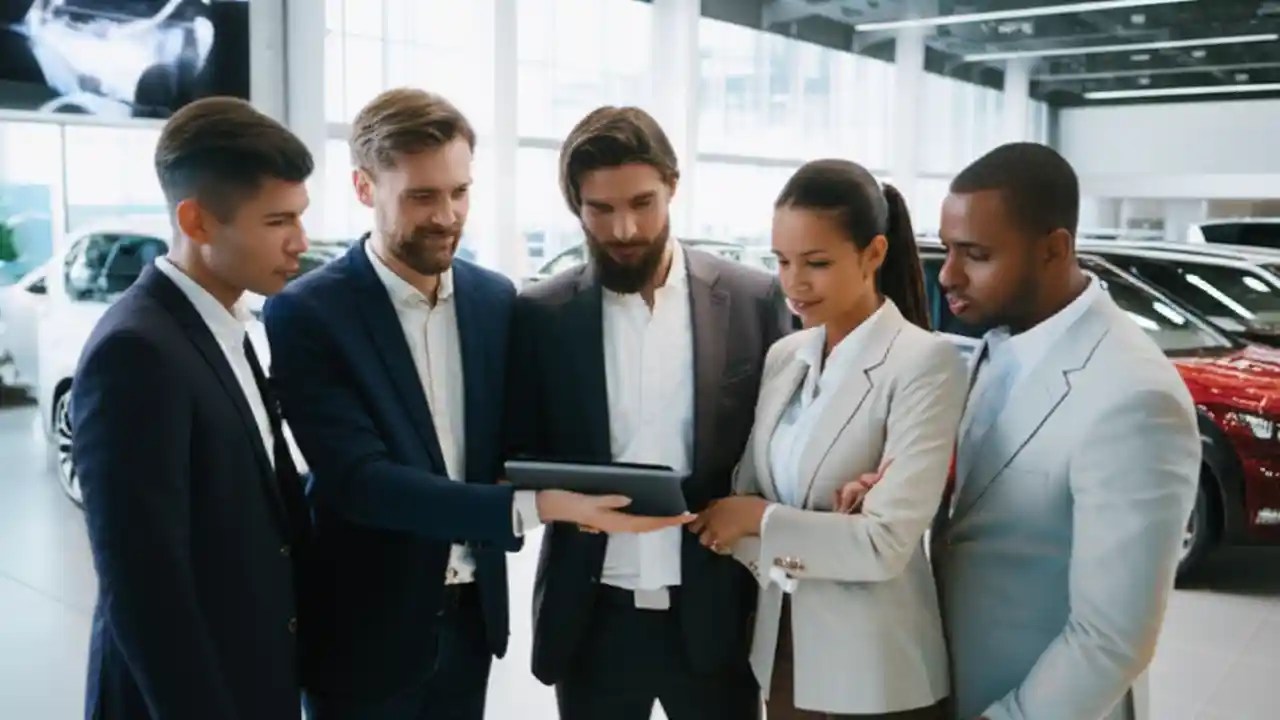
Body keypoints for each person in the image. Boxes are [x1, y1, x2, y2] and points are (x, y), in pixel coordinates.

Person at [262, 89, 685, 720]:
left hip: (470, 625)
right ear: (362, 186)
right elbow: (360, 482)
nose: (447, 215)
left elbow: (519, 444)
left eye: (459, 192)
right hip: (364, 633)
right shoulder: (307, 312)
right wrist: (537, 506)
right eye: (422, 196)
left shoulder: (495, 301)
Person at [506, 105, 793, 720]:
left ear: (673, 188)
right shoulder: (538, 314)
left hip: (718, 611)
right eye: (600, 210)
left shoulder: (753, 299)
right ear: (575, 207)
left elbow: (790, 434)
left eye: (643, 203)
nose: (626, 228)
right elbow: (518, 450)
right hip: (592, 617)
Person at [931, 142, 1200, 720]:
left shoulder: (1134, 396)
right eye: (947, 249)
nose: (950, 275)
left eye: (975, 254)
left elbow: (1111, 639)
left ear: (1055, 248)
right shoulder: (999, 340)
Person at [691, 159, 963, 719]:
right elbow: (734, 508)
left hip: (875, 671)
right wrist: (809, 530)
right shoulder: (786, 356)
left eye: (816, 263)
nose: (794, 283)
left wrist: (762, 521)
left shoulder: (923, 363)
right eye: (782, 261)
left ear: (874, 254)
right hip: (783, 655)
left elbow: (884, 545)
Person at [71, 97, 315, 720]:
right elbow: (146, 590)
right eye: (276, 221)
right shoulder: (136, 351)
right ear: (197, 221)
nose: (300, 243)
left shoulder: (226, 322)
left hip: (256, 679)